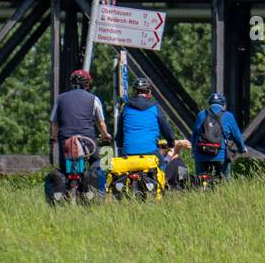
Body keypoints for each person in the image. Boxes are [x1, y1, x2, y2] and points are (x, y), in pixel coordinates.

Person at [47, 68, 111, 199]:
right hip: (88, 143)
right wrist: (106, 135)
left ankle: (62, 195)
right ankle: (95, 192)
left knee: (63, 169)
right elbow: (101, 123)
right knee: (98, 162)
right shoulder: (93, 99)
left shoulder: (60, 99)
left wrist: (53, 137)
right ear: (87, 84)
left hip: (66, 143)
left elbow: (54, 123)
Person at [116, 77, 189, 188]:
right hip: (149, 152)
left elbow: (119, 134)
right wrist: (171, 142)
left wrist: (120, 144)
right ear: (149, 92)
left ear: (134, 92)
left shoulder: (126, 107)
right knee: (162, 166)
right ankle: (161, 189)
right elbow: (166, 129)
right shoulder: (155, 107)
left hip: (129, 152)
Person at [191, 92, 247, 181]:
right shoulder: (228, 116)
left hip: (201, 154)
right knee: (225, 181)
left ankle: (201, 189)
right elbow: (237, 136)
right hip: (220, 154)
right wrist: (242, 148)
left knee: (200, 182)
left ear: (209, 104)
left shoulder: (201, 114)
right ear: (224, 105)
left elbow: (195, 135)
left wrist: (193, 151)